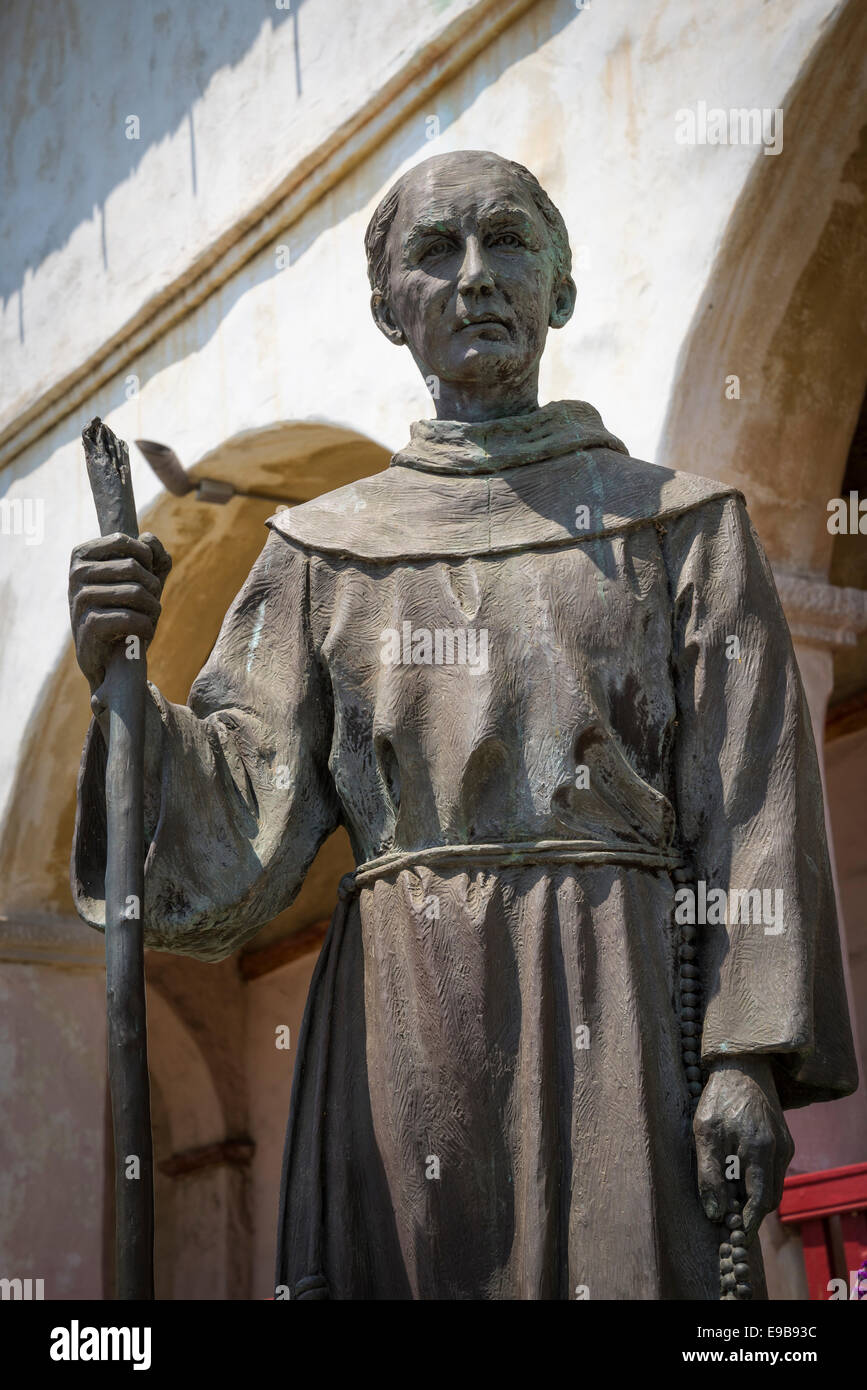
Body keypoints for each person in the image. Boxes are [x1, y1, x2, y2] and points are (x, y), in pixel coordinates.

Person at [69, 151, 857, 1299]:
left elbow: (751, 811)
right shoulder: (322, 554)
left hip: (626, 1012)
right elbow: (236, 822)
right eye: (437, 252)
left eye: (509, 243)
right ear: (390, 308)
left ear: (562, 288)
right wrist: (122, 689)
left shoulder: (680, 528)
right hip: (404, 1027)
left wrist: (744, 1055)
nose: (476, 277)